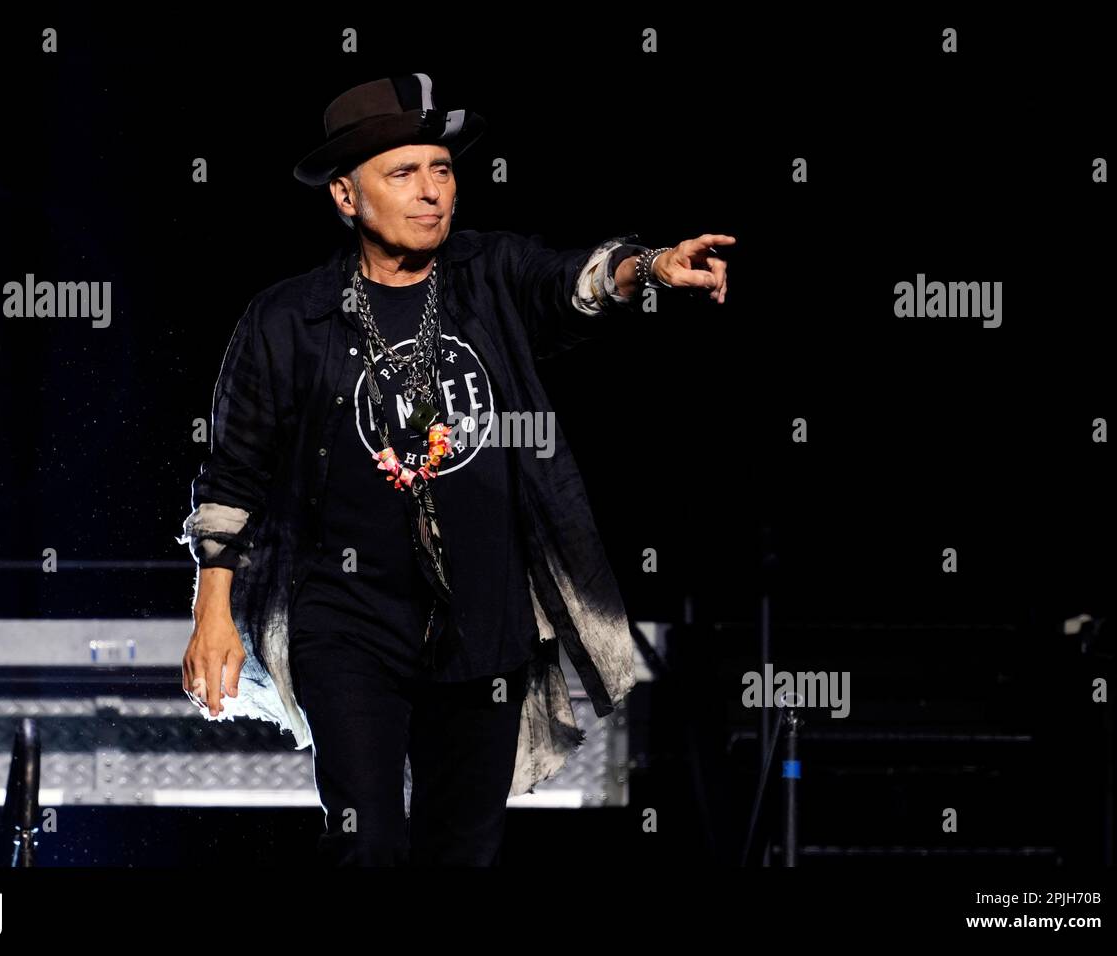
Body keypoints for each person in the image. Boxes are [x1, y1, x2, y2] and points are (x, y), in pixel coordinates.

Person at [178, 72, 734, 865]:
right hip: (347, 621)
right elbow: (232, 475)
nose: (431, 191)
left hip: (485, 625)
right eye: (403, 173)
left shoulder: (487, 276)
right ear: (346, 195)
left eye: (441, 169)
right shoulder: (286, 319)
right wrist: (213, 612)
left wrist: (646, 268)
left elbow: (573, 282)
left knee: (460, 853)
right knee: (365, 841)